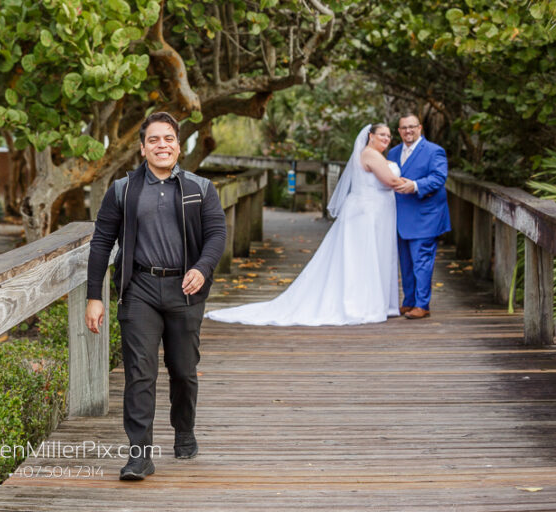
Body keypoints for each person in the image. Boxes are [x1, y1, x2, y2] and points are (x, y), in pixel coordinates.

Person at [85, 112, 227, 480]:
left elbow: (216, 235)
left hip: (185, 289)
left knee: (183, 370)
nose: (162, 145)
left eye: (168, 139)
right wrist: (94, 295)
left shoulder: (200, 188)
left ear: (179, 145)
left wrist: (202, 267)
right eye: (154, 140)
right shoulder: (123, 190)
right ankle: (139, 456)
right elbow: (101, 242)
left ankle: (184, 431)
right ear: (142, 147)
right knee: (139, 373)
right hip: (140, 290)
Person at [206, 123, 407, 326]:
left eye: (389, 135)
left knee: (369, 256)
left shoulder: (375, 155)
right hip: (367, 214)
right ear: (370, 136)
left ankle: (373, 301)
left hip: (374, 212)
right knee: (363, 257)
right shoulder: (370, 154)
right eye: (382, 134)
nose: (386, 138)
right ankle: (361, 303)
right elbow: (390, 180)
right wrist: (414, 185)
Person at [387, 113, 451, 319]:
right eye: (404, 128)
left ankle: (422, 305)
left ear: (420, 128)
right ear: (399, 131)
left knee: (421, 261)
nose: (408, 131)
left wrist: (415, 185)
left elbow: (439, 178)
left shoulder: (434, 151)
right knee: (405, 262)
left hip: (425, 215)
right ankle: (409, 301)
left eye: (412, 127)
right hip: (400, 216)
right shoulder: (393, 153)